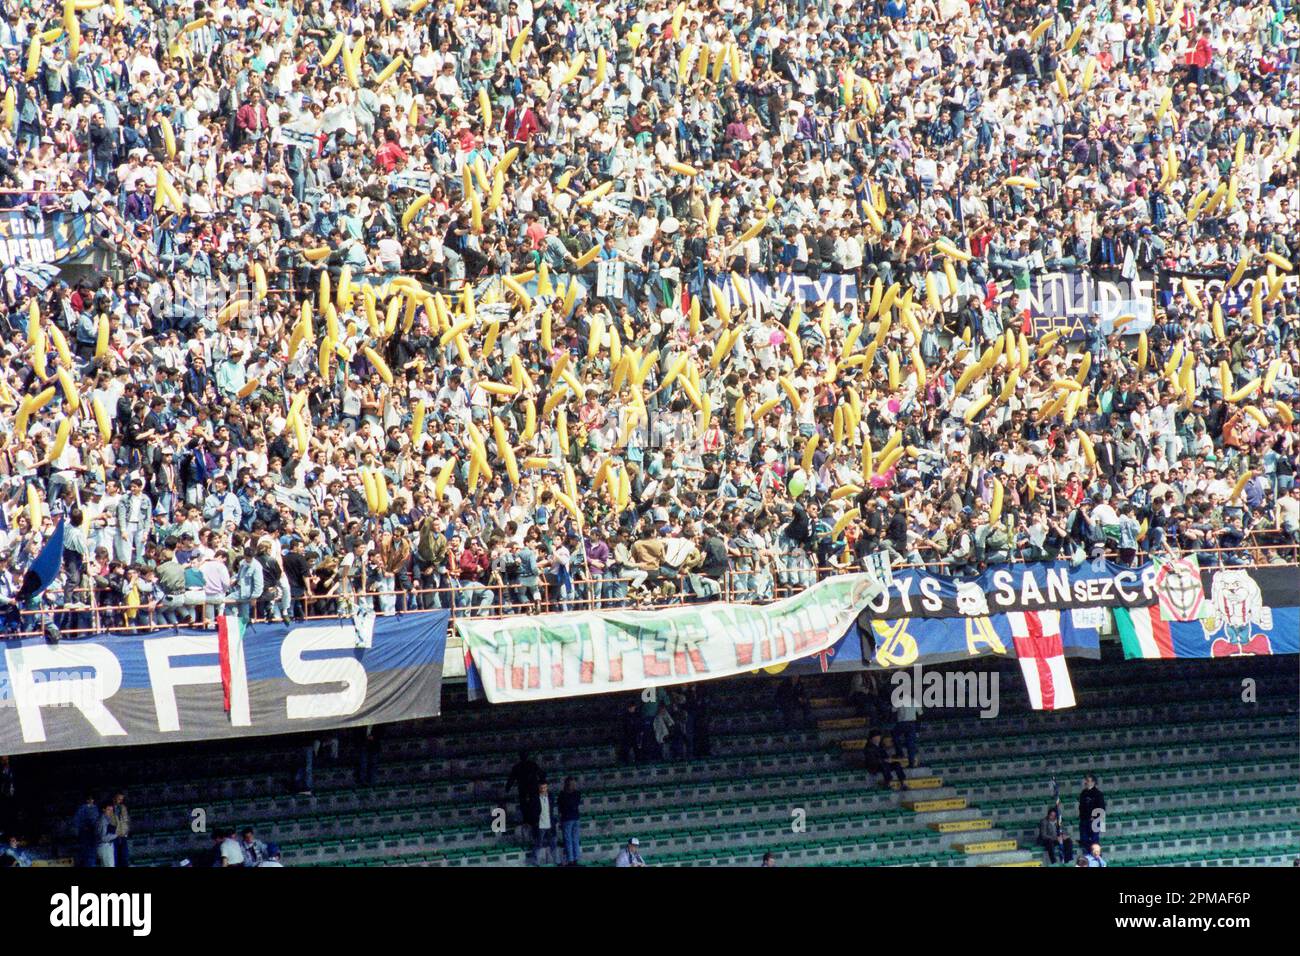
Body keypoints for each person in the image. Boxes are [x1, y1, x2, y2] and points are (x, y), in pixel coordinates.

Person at [558, 777, 582, 867]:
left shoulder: (562, 794)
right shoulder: (577, 794)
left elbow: (560, 807)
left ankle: (571, 860)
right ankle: (575, 860)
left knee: (568, 840)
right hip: (575, 817)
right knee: (575, 839)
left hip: (567, 819)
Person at [72, 794, 100, 868]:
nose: (91, 801)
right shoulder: (82, 809)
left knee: (92, 852)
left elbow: (97, 820)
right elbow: (76, 821)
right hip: (85, 833)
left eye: (92, 799)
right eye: (89, 799)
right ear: (86, 800)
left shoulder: (96, 808)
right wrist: (78, 831)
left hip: (94, 833)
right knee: (86, 853)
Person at [1079, 775, 1106, 850]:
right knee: (1084, 840)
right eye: (1086, 780)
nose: (1086, 782)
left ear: (1093, 782)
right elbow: (1081, 807)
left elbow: (1101, 808)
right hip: (1084, 820)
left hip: (1095, 821)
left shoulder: (1098, 794)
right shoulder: (1083, 793)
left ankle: (1096, 858)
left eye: (1088, 780)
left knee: (1094, 841)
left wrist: (1094, 817)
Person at [112, 792, 131, 868]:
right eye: (119, 799)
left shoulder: (123, 807)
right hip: (114, 836)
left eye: (122, 799)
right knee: (115, 858)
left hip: (123, 836)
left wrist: (126, 832)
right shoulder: (109, 808)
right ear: (114, 798)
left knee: (124, 857)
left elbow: (126, 820)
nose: (120, 800)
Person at [96, 800, 117, 867]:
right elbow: (103, 838)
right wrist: (117, 834)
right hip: (105, 847)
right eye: (108, 810)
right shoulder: (102, 820)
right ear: (103, 810)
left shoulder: (108, 819)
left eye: (112, 810)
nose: (110, 812)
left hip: (108, 846)